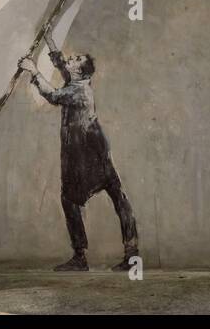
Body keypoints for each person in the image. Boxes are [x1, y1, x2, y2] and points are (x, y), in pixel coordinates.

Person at [19, 50, 139, 272]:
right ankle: (130, 253)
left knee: (71, 200)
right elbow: (68, 80)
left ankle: (80, 256)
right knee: (118, 197)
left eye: (75, 60)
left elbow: (54, 96)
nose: (70, 59)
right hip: (96, 151)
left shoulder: (78, 91)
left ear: (80, 71)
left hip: (86, 155)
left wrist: (34, 71)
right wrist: (58, 63)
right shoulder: (80, 84)